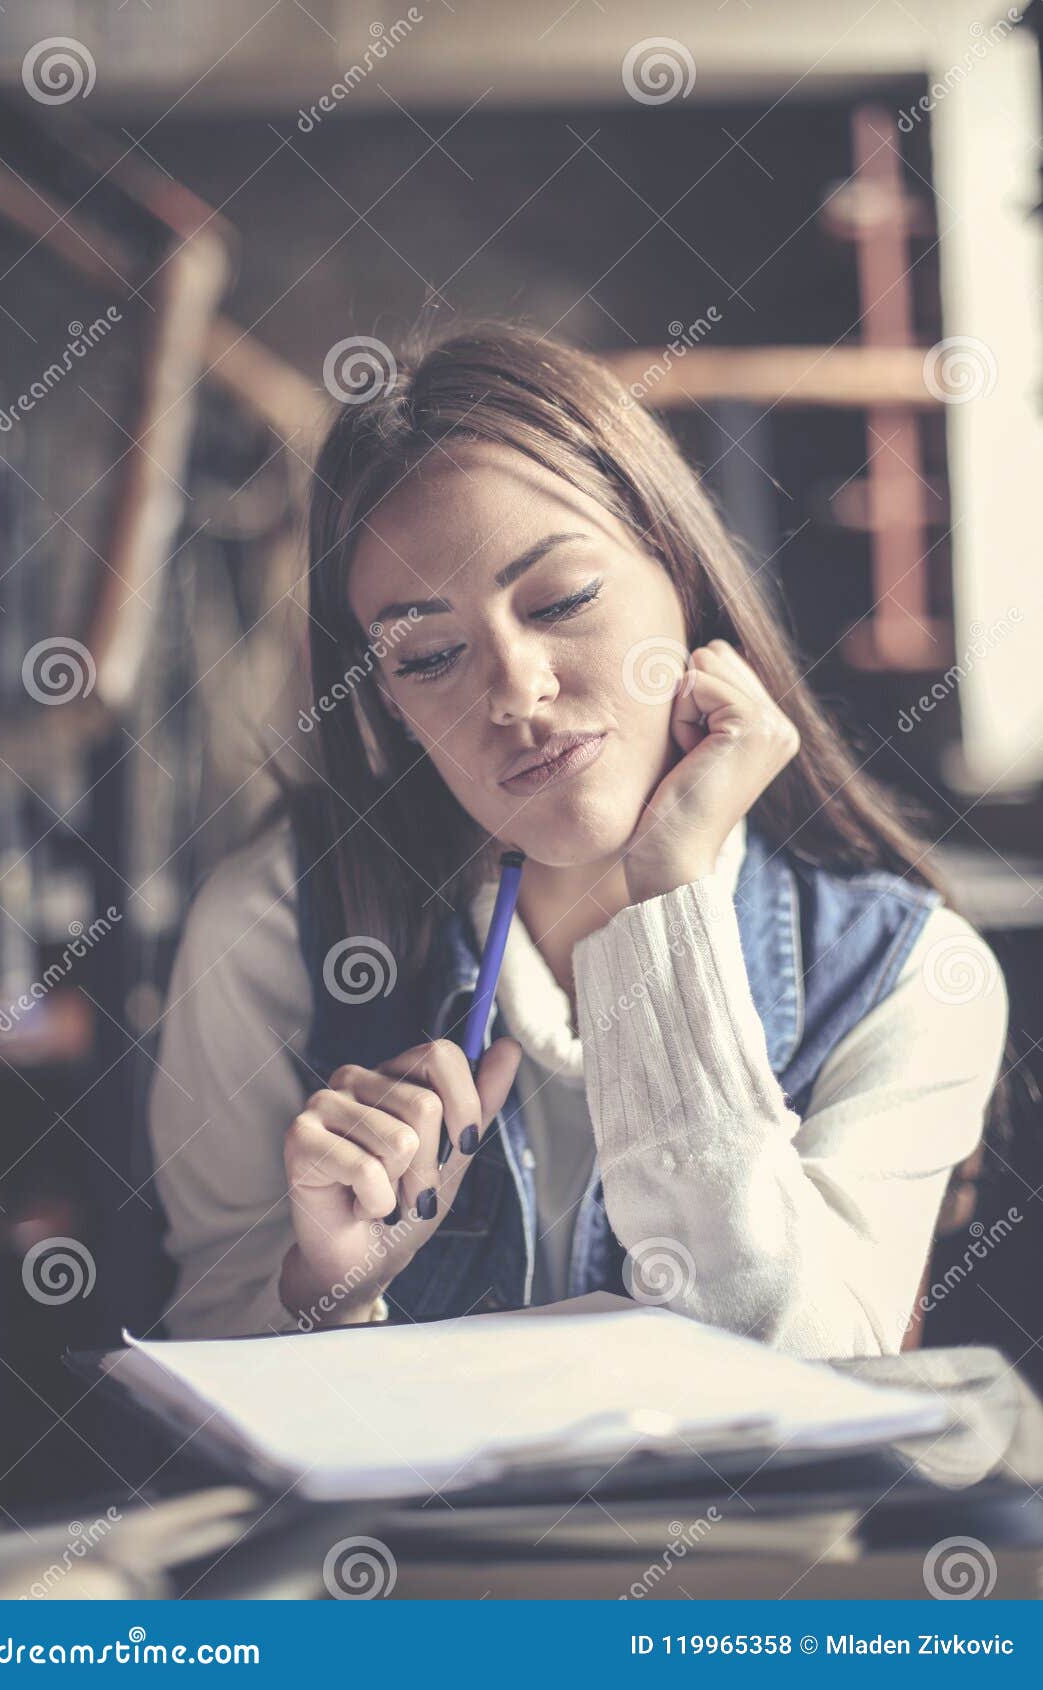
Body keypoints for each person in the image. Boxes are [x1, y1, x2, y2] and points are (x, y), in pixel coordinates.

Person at [148, 321, 1007, 1359]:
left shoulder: (907, 974)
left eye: (561, 600)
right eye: (427, 656)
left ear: (682, 575)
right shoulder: (272, 926)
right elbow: (203, 1354)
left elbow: (800, 1361)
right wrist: (323, 1290)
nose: (516, 690)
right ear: (384, 702)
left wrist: (668, 893)